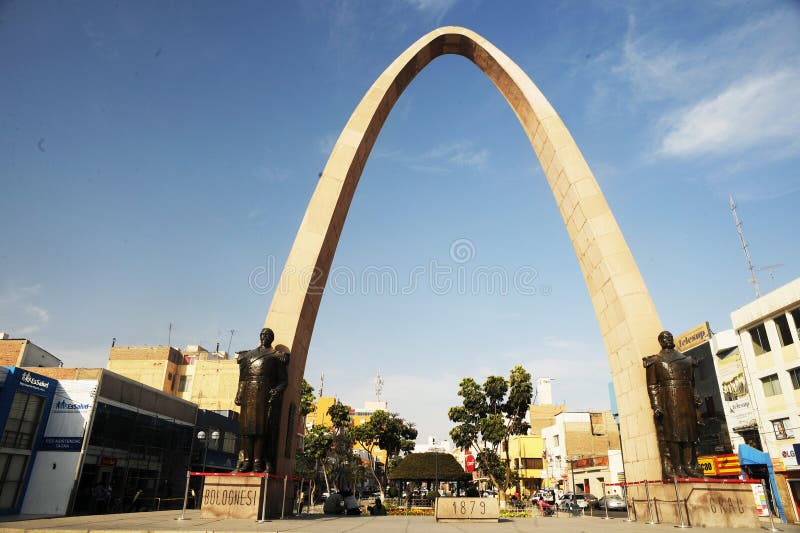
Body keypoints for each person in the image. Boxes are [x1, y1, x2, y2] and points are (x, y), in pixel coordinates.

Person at [644, 330, 703, 478]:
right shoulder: (656, 360)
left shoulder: (686, 359)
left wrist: (696, 396)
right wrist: (656, 405)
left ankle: (689, 465)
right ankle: (677, 467)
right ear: (660, 342)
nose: (668, 339)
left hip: (686, 398)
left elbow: (692, 382)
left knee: (689, 434)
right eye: (664, 338)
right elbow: (652, 385)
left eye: (669, 337)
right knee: (673, 435)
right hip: (669, 399)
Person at [233, 328, 289, 473]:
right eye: (263, 334)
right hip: (248, 393)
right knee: (246, 429)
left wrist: (276, 391)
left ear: (272, 338)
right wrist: (239, 394)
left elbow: (284, 380)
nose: (265, 337)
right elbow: (242, 378)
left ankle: (258, 461)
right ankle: (247, 460)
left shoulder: (276, 356)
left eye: (268, 335)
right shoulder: (248, 355)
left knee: (260, 429)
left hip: (263, 394)